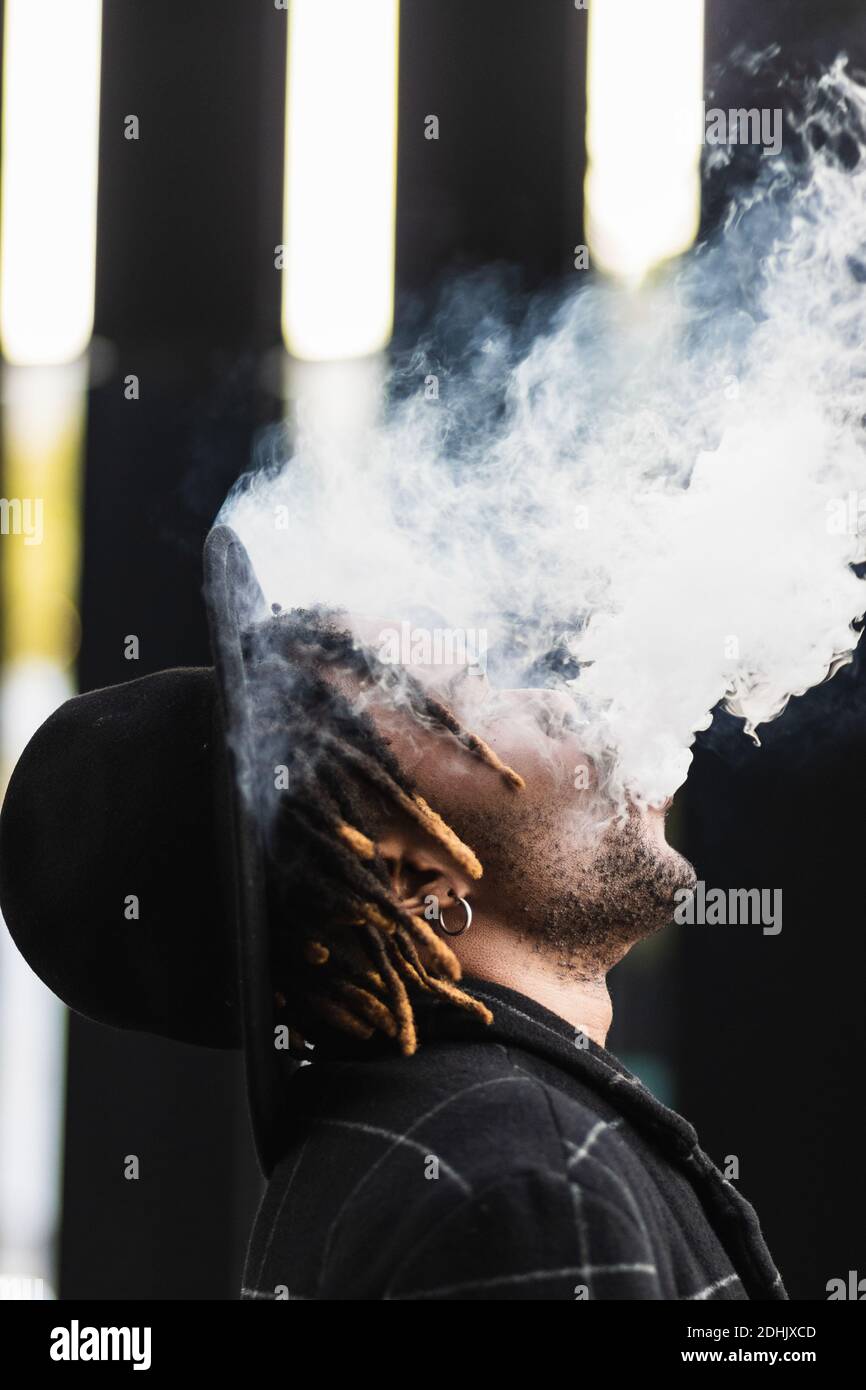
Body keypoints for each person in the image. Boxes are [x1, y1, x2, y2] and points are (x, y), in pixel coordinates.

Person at [238, 606, 787, 1301]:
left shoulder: (432, 1133)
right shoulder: (533, 1183)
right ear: (418, 879)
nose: (556, 701)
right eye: (472, 704)